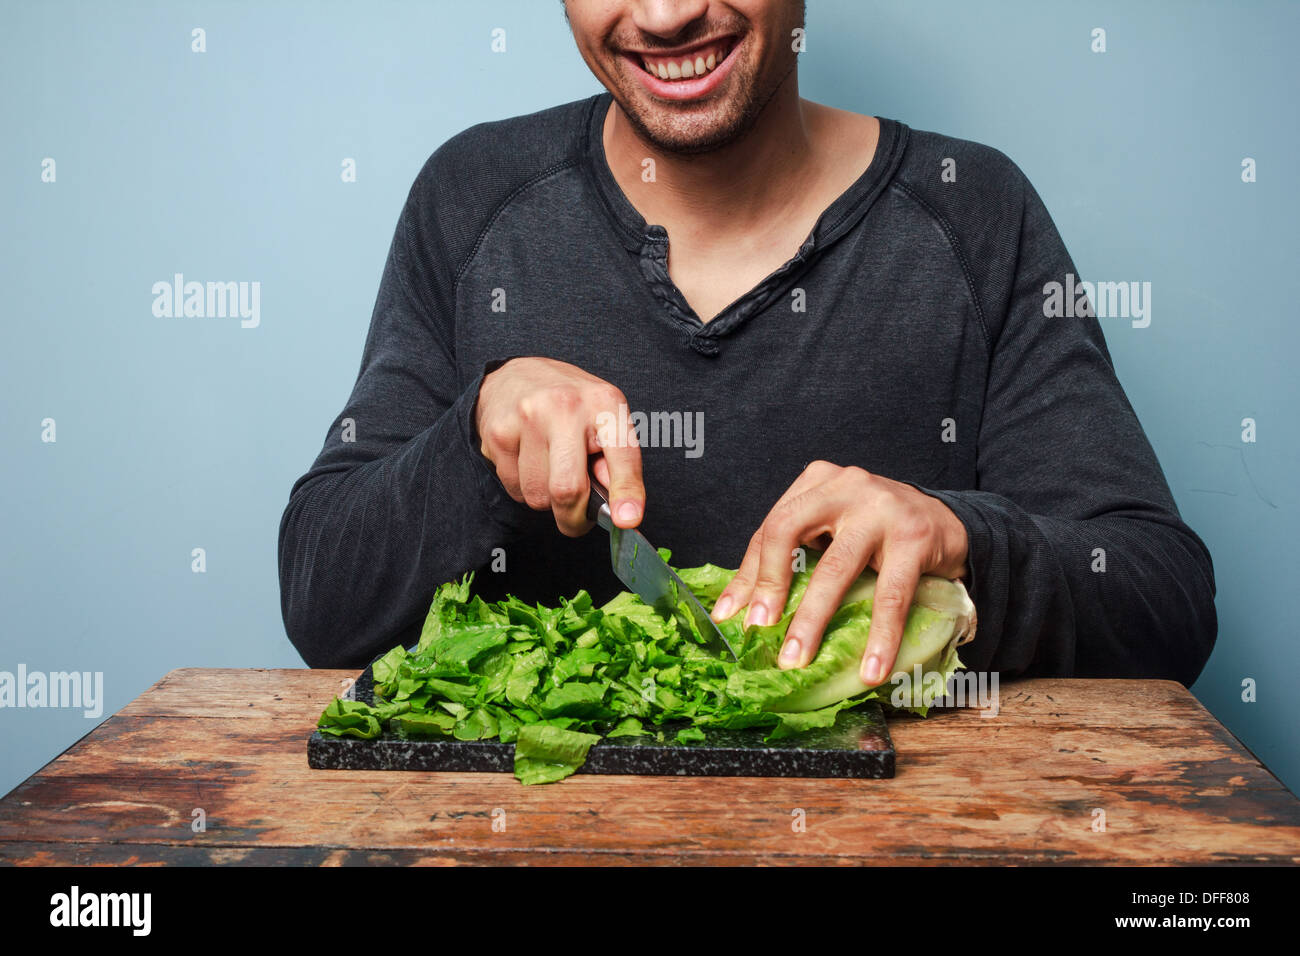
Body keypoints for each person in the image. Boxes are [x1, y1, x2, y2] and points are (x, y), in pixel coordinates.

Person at [278, 0, 1216, 689]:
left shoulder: (973, 212)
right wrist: (474, 439)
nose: (667, 14)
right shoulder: (472, 199)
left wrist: (962, 540)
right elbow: (323, 602)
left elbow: (1166, 605)